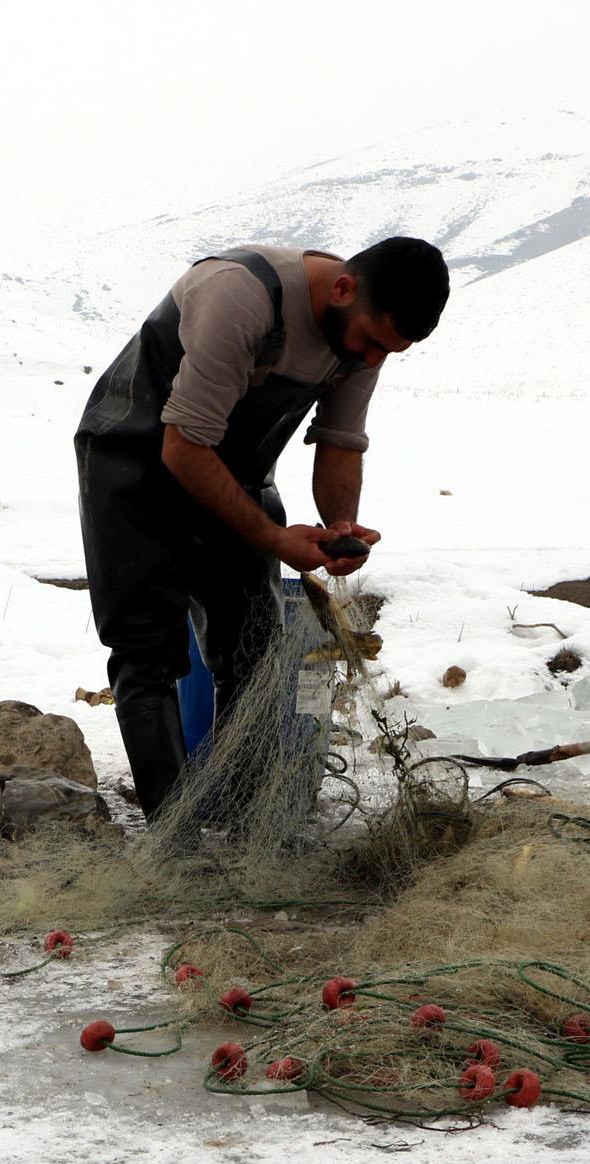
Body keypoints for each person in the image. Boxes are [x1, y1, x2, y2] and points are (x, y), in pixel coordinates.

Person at [74, 237, 449, 820]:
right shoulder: (242, 295)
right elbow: (183, 447)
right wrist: (273, 538)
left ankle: (249, 831)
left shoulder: (361, 340)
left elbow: (340, 443)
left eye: (390, 353)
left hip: (235, 473)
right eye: (373, 343)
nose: (374, 360)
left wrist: (340, 527)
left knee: (253, 645)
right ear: (343, 289)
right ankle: (176, 843)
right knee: (147, 650)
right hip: (134, 461)